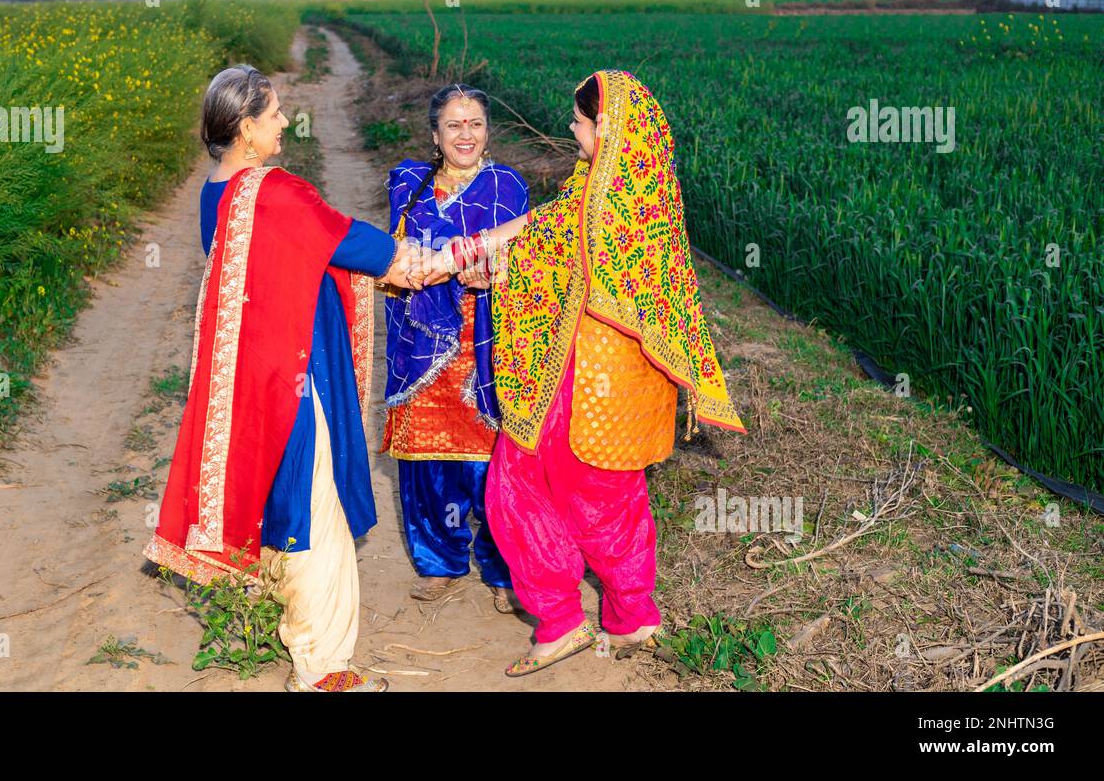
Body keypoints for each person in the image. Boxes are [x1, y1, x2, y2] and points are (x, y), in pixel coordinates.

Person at [422, 69, 747, 676]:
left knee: (521, 487)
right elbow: (537, 237)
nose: (572, 129)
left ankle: (562, 620)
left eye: (580, 120)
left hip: (581, 377)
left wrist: (469, 263)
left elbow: (543, 247)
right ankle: (631, 615)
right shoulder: (632, 189)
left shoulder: (606, 205)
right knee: (610, 495)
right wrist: (468, 258)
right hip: (613, 381)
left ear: (609, 127)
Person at [145, 65, 418, 693]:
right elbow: (347, 240)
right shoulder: (271, 191)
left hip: (252, 374)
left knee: (284, 495)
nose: (286, 122)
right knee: (312, 508)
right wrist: (427, 260)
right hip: (293, 374)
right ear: (245, 128)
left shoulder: (216, 189)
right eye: (275, 114)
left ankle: (299, 637)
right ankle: (322, 670)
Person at [381, 84, 529, 612]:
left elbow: (528, 262)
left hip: (484, 340)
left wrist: (494, 272)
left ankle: (500, 566)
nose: (466, 135)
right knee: (426, 456)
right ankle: (439, 561)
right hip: (421, 343)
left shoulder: (507, 187)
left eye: (475, 124)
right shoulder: (409, 183)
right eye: (454, 125)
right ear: (435, 135)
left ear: (487, 131)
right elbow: (395, 253)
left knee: (491, 461)